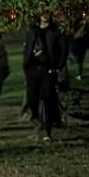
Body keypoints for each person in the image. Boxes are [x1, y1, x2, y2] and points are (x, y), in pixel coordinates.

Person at [22, 12, 68, 140]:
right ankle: (37, 122)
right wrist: (26, 65)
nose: (44, 15)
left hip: (48, 70)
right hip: (32, 70)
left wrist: (58, 67)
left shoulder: (55, 31)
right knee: (31, 99)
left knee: (47, 99)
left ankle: (48, 130)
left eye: (47, 13)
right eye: (42, 13)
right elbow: (27, 49)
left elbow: (63, 49)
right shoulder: (32, 31)